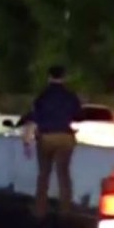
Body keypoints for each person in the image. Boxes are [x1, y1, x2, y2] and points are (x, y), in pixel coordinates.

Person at [20, 64, 82, 219]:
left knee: (44, 174)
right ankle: (66, 209)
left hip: (46, 137)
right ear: (64, 77)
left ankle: (40, 209)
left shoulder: (43, 97)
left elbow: (33, 119)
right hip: (65, 137)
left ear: (49, 77)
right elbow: (78, 115)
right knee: (64, 174)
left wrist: (27, 141)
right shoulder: (70, 96)